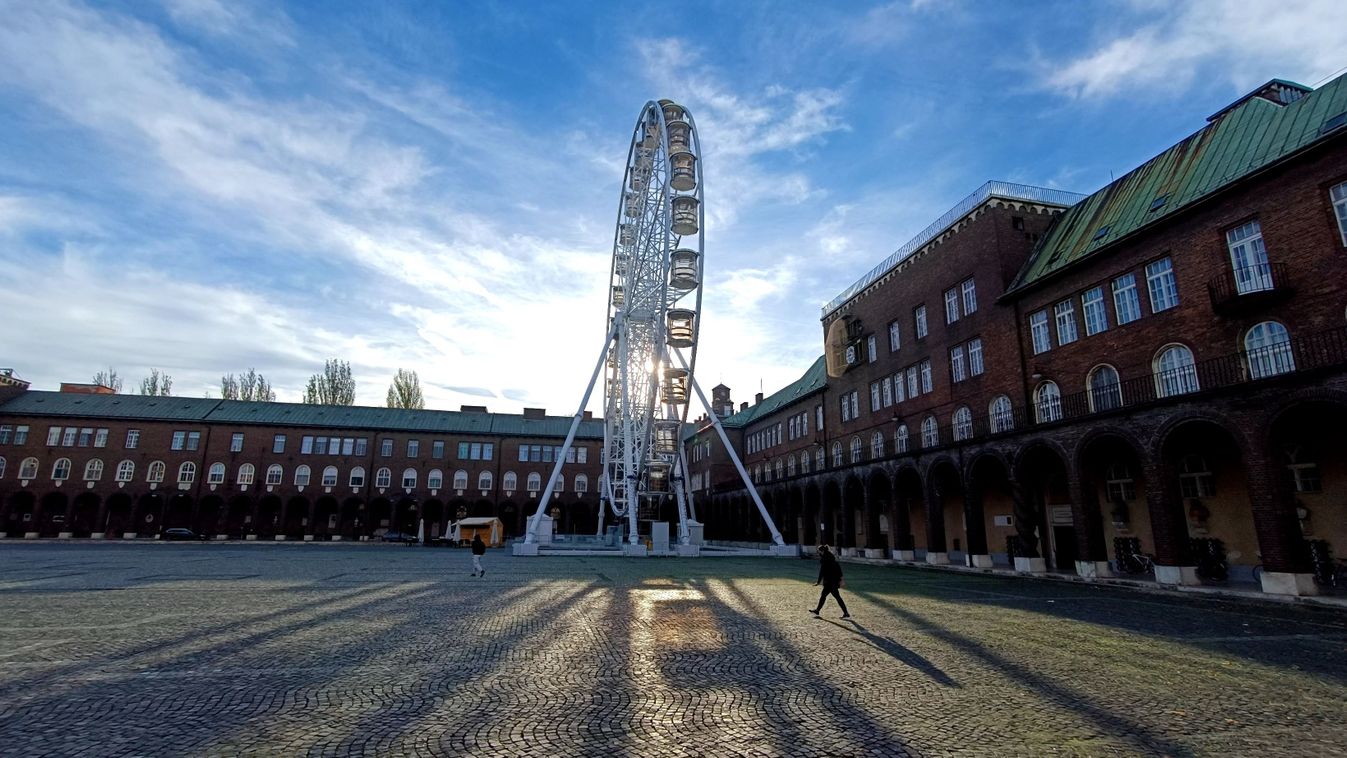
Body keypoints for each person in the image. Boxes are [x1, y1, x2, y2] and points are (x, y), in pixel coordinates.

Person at [811, 544, 850, 618]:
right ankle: (817, 610)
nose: (819, 553)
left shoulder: (824, 561)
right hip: (834, 582)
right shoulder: (833, 560)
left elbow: (821, 572)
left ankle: (846, 613)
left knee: (831, 597)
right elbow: (839, 571)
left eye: (819, 552)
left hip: (828, 583)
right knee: (829, 596)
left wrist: (818, 582)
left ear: (822, 551)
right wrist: (841, 580)